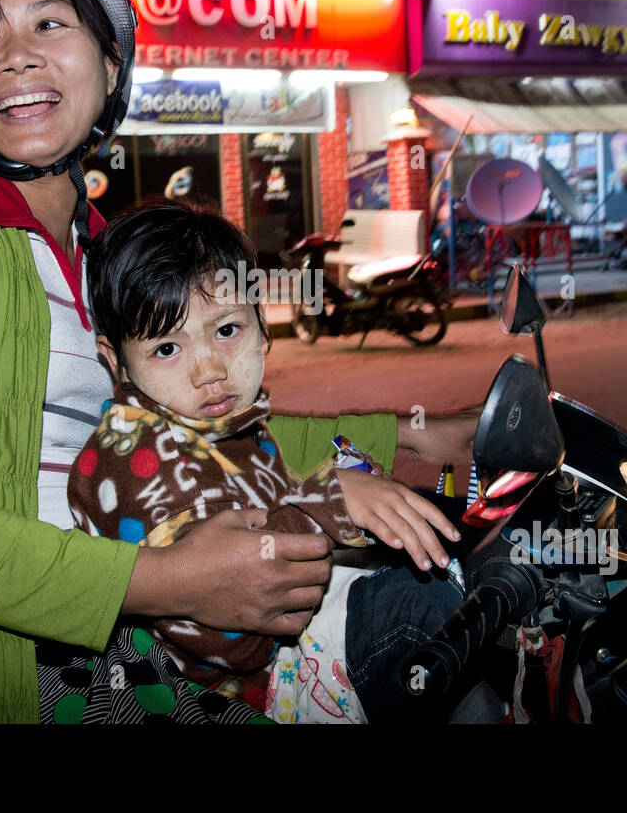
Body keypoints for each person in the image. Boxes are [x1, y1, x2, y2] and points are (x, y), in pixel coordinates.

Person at [0, 0, 475, 723]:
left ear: (110, 65)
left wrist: (412, 435)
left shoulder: (109, 251)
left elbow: (201, 422)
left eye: (49, 25)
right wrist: (168, 581)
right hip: (1, 679)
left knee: (447, 616)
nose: (14, 55)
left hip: (138, 629)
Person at [65, 201, 478, 723]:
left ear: (264, 328)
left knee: (439, 536)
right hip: (234, 691)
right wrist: (330, 504)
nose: (209, 370)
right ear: (115, 362)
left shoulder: (215, 422)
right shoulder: (134, 461)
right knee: (422, 605)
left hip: (283, 642)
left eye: (226, 331)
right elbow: (233, 638)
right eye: (167, 349)